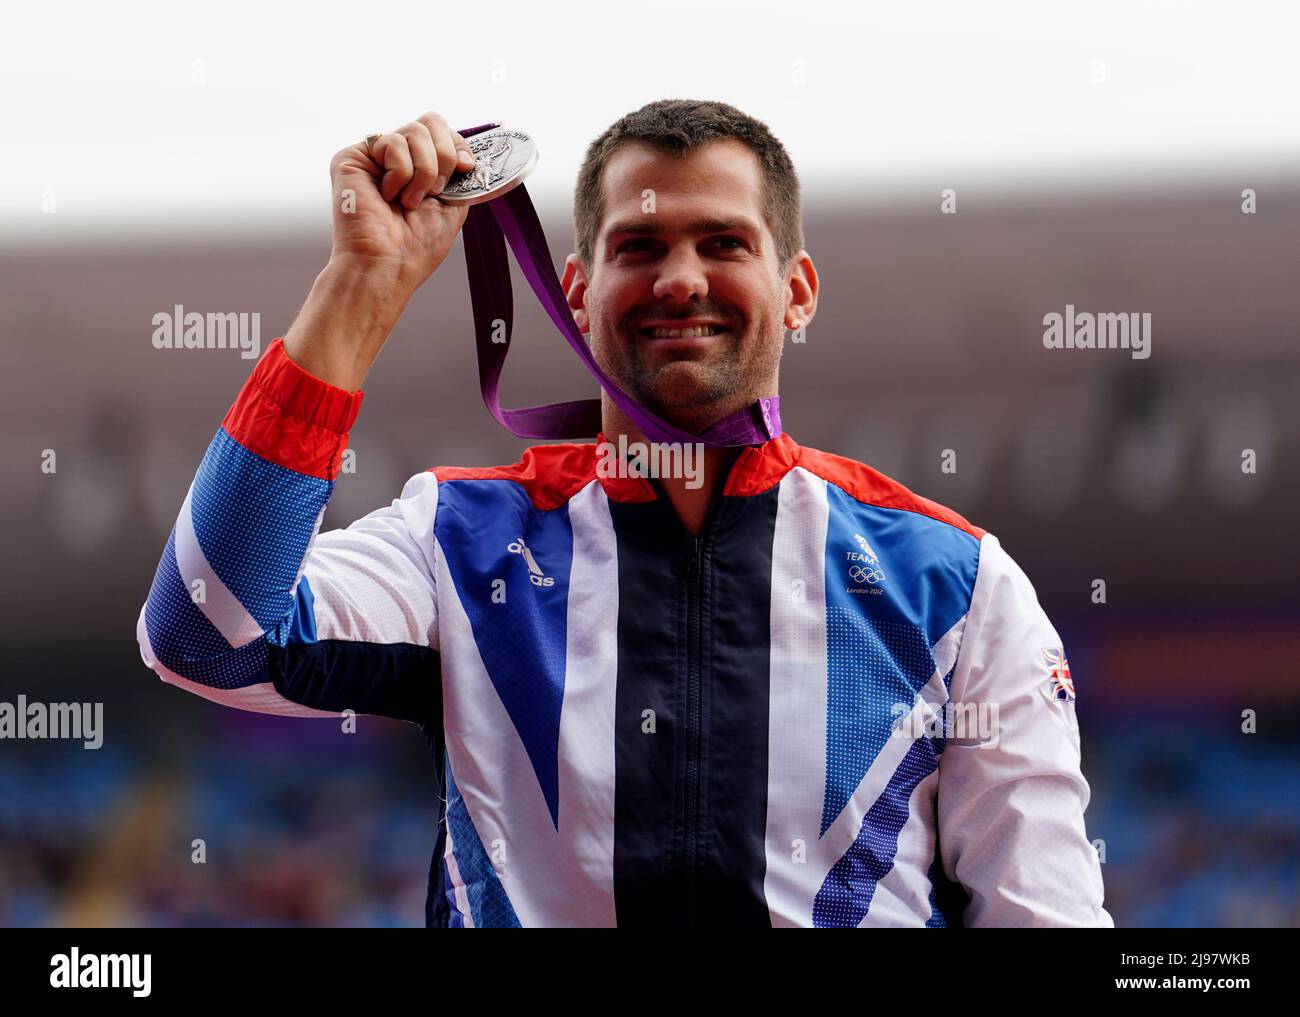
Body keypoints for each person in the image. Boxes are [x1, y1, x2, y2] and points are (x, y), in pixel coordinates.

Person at [136, 99, 1112, 928]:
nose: (680, 278)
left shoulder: (953, 580)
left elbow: (1044, 913)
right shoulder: (461, 542)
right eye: (637, 246)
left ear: (797, 291)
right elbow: (204, 631)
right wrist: (358, 289)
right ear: (578, 292)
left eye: (723, 243)